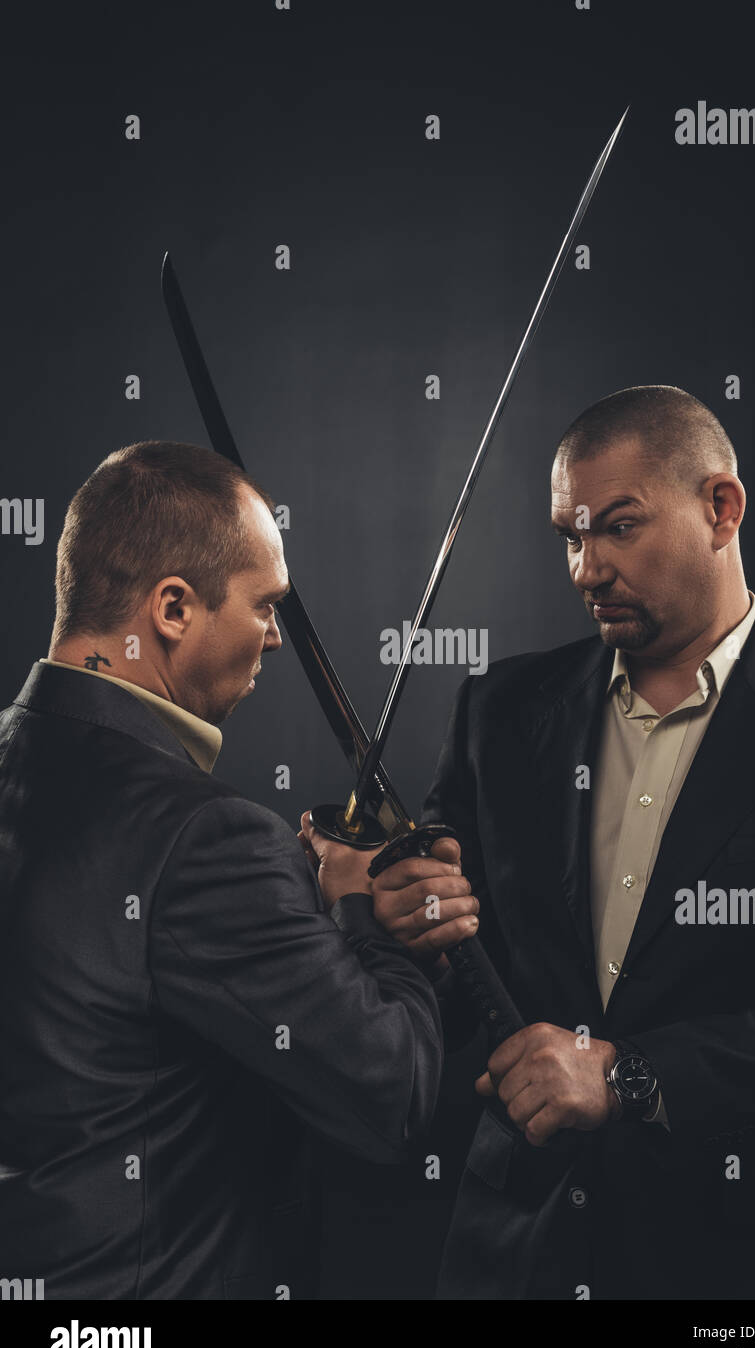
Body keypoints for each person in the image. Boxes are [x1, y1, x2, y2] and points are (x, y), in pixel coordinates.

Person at [371, 386, 755, 1300]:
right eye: (570, 535)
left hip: (749, 1265)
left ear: (722, 509)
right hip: (516, 1247)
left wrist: (627, 1074)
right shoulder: (498, 711)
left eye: (617, 528)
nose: (585, 569)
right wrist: (399, 913)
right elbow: (446, 959)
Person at [0, 440, 458, 1301]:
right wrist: (363, 915)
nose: (276, 638)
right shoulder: (208, 838)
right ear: (173, 607)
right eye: (265, 605)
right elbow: (389, 1096)